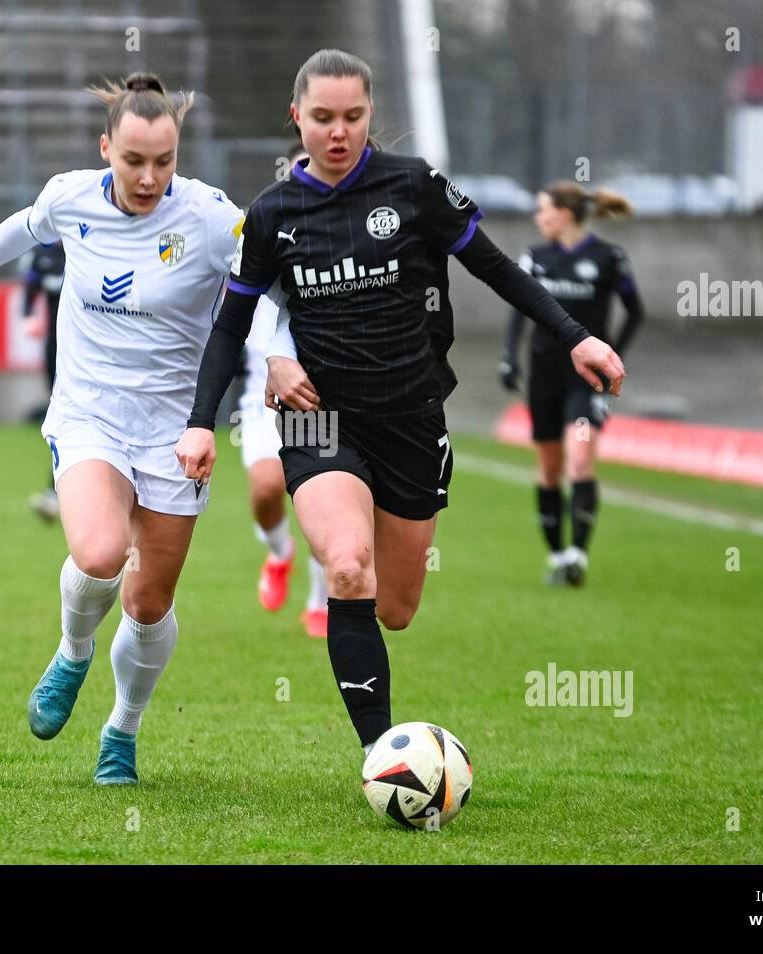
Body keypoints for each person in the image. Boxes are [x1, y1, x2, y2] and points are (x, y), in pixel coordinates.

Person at [175, 49, 624, 757]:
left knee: (396, 607)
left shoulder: (412, 187)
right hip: (320, 416)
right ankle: (382, 757)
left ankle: (381, 716)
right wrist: (201, 423)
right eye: (322, 117)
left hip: (412, 416)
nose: (338, 131)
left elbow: (493, 265)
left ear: (369, 115)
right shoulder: (272, 214)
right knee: (348, 566)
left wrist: (575, 337)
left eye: (353, 116)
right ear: (297, 117)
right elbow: (233, 320)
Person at [0, 73, 243, 785]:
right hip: (90, 413)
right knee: (98, 553)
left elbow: (262, 286)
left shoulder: (212, 218)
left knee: (148, 603)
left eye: (165, 161)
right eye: (133, 161)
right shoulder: (71, 196)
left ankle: (121, 730)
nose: (150, 176)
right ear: (106, 149)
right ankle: (71, 650)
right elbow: (24, 226)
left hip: (176, 431)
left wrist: (275, 361)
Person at [499, 180, 643, 586]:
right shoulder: (535, 258)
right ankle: (559, 555)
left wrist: (613, 354)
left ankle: (579, 553)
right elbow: (517, 313)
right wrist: (509, 357)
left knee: (579, 459)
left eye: (543, 209)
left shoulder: (608, 258)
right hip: (544, 374)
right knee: (548, 469)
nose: (538, 217)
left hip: (586, 378)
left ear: (563, 213)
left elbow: (636, 311)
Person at [239, 143, 329, 637]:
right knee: (267, 490)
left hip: (323, 409)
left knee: (323, 507)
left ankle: (320, 602)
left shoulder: (341, 248)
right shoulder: (261, 238)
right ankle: (278, 554)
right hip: (261, 405)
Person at [21, 240, 68, 521]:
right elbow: (30, 287)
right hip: (56, 348)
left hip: (90, 351)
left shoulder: (97, 240)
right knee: (63, 413)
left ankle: (57, 491)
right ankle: (58, 490)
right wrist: (27, 315)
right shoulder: (44, 253)